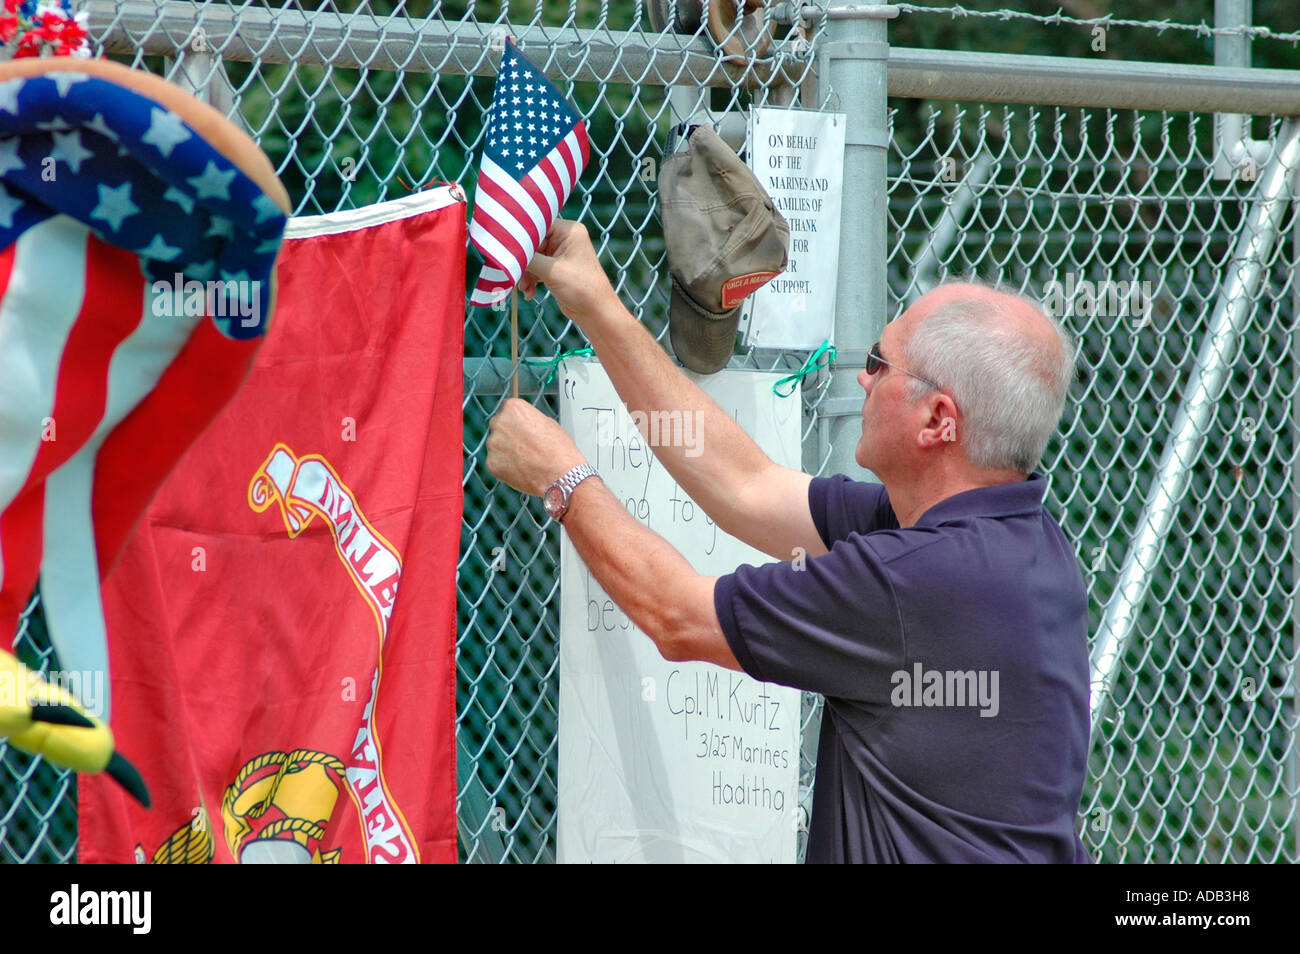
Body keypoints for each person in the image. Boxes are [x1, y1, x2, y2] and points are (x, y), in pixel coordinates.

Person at [485, 218, 1092, 863]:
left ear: (938, 419)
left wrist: (563, 479)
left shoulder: (913, 580)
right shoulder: (1017, 541)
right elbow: (744, 484)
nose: (863, 378)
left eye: (880, 364)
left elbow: (677, 617)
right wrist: (598, 306)